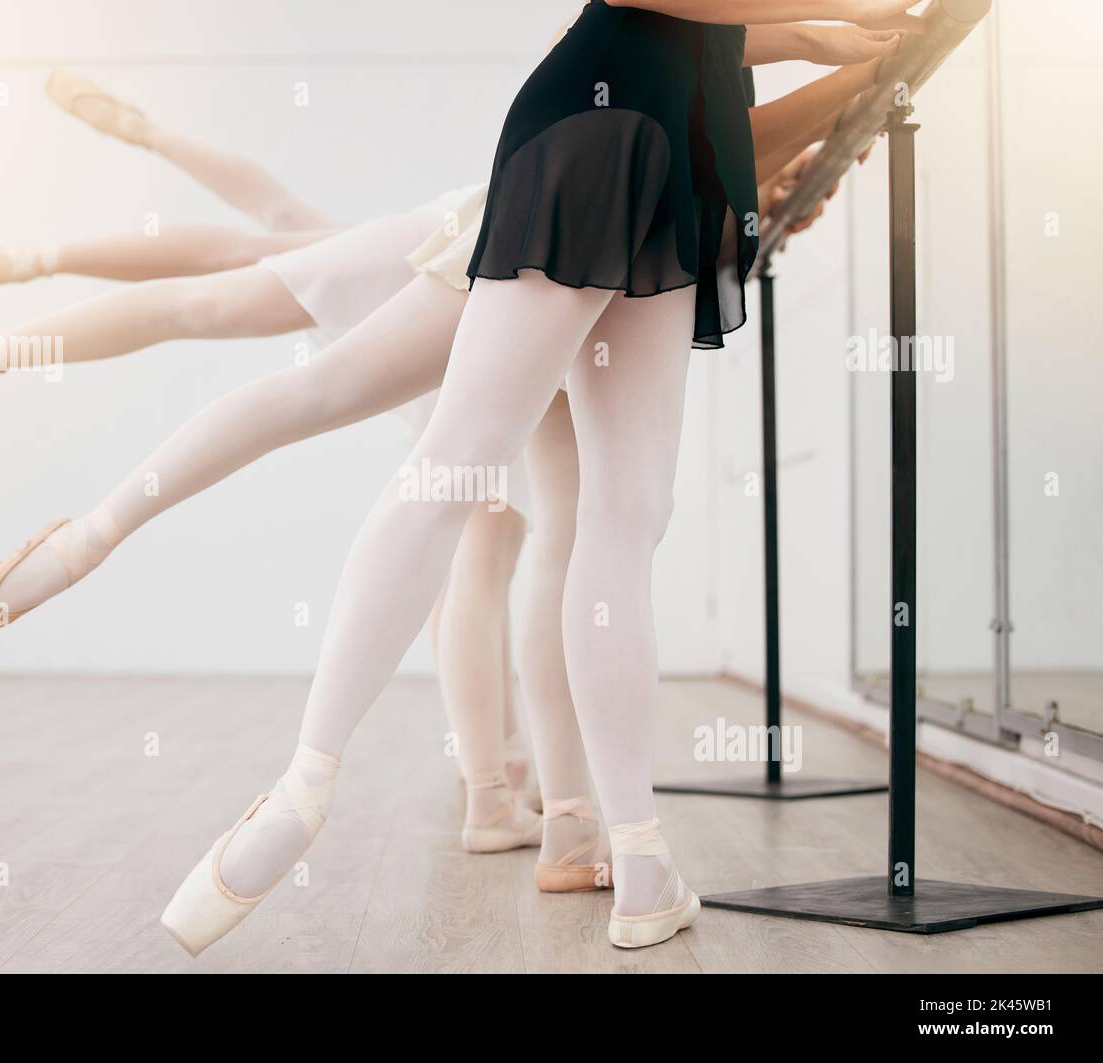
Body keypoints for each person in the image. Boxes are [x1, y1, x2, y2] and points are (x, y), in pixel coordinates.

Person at [154, 0, 920, 955]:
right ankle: (635, 862)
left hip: (641, 156)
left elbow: (701, 46)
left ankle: (315, 784)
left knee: (552, 493)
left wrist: (828, 46)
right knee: (598, 513)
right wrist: (833, 17)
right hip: (627, 151)